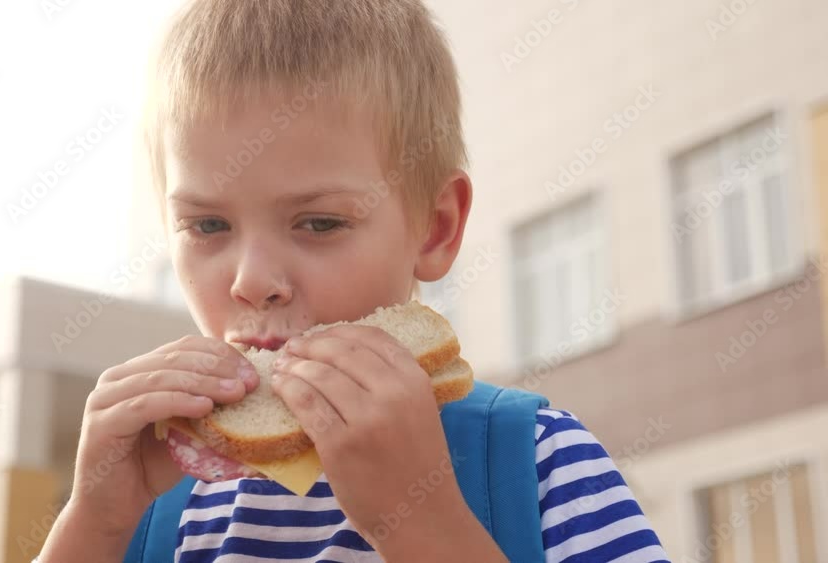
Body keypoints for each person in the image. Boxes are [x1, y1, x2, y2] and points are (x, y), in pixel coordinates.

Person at [38, 0, 670, 561]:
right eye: (207, 225)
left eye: (317, 222)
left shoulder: (534, 465)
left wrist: (421, 523)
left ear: (435, 228)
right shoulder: (154, 508)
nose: (252, 282)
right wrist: (94, 522)